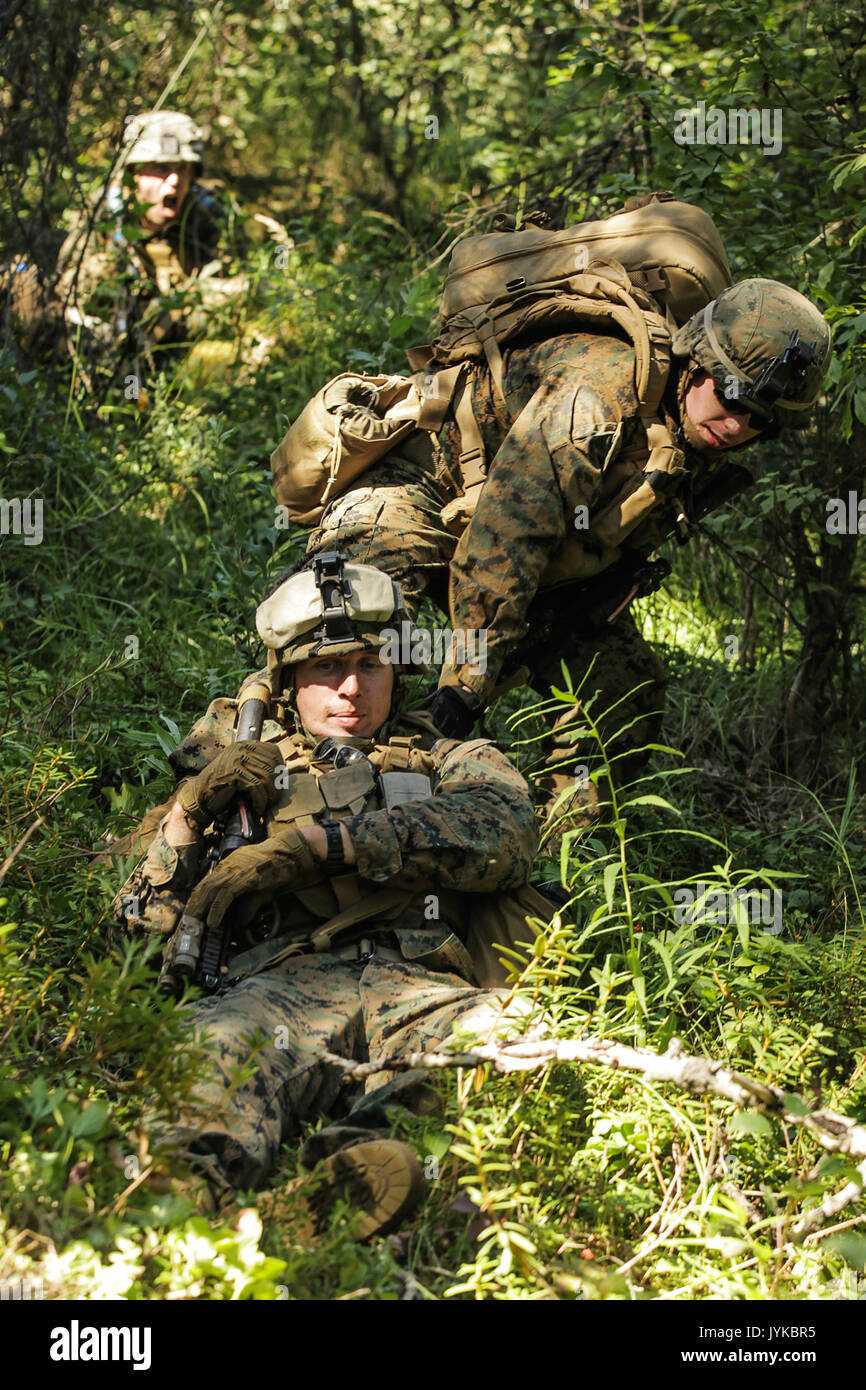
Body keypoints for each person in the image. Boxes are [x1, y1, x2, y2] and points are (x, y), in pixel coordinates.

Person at [112, 555, 540, 1238]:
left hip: (425, 986)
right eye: (324, 669)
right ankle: (181, 1209)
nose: (350, 688)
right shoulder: (236, 776)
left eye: (370, 664)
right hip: (275, 987)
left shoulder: (448, 757)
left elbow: (508, 829)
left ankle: (339, 1180)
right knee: (205, 1071)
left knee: (507, 1054)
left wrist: (325, 848)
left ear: (398, 672)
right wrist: (189, 816)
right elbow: (133, 940)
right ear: (288, 683)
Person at [302, 278, 832, 830]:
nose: (738, 425)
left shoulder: (698, 435)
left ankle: (553, 855)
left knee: (624, 686)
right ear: (696, 362)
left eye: (761, 420)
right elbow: (505, 542)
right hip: (424, 488)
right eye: (733, 397)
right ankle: (294, 791)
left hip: (517, 536)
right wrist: (466, 684)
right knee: (345, 615)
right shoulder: (597, 395)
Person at [4, 110, 241, 382]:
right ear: (133, 174)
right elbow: (71, 295)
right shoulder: (105, 218)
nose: (174, 180)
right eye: (161, 169)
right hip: (105, 355)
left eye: (182, 169)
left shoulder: (205, 221)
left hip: (178, 359)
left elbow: (234, 288)